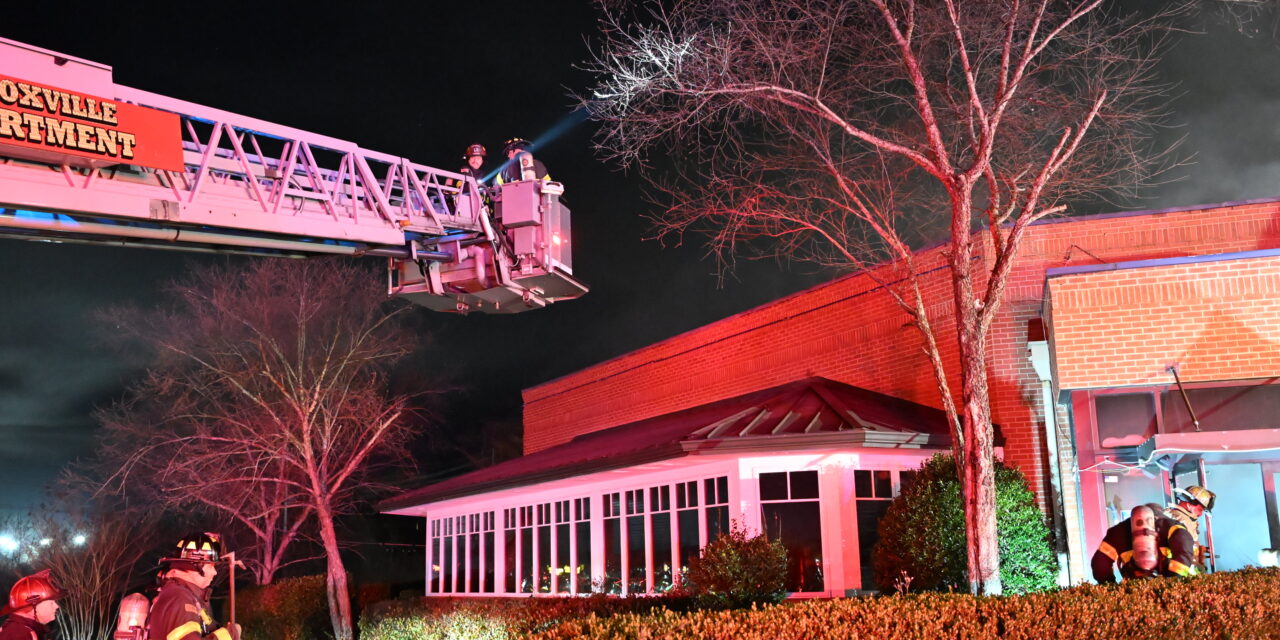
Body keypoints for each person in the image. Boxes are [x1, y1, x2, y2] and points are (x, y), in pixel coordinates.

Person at [147, 532, 239, 640]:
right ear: (196, 567)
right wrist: (228, 636)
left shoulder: (190, 596)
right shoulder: (180, 599)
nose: (215, 572)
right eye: (211, 567)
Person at [1091, 503, 1197, 584]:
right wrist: (1174, 581)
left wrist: (1110, 587)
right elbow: (1184, 552)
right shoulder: (1173, 526)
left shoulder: (1117, 531)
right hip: (1168, 582)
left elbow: (1099, 564)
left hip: (1134, 586)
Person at [0, 570, 65, 640]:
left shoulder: (26, 629)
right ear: (34, 606)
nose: (56, 606)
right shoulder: (18, 634)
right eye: (51, 602)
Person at [1167, 485, 1216, 568]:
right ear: (1189, 504)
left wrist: (1197, 551)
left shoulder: (1184, 519)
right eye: (1200, 510)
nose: (1200, 514)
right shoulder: (1178, 518)